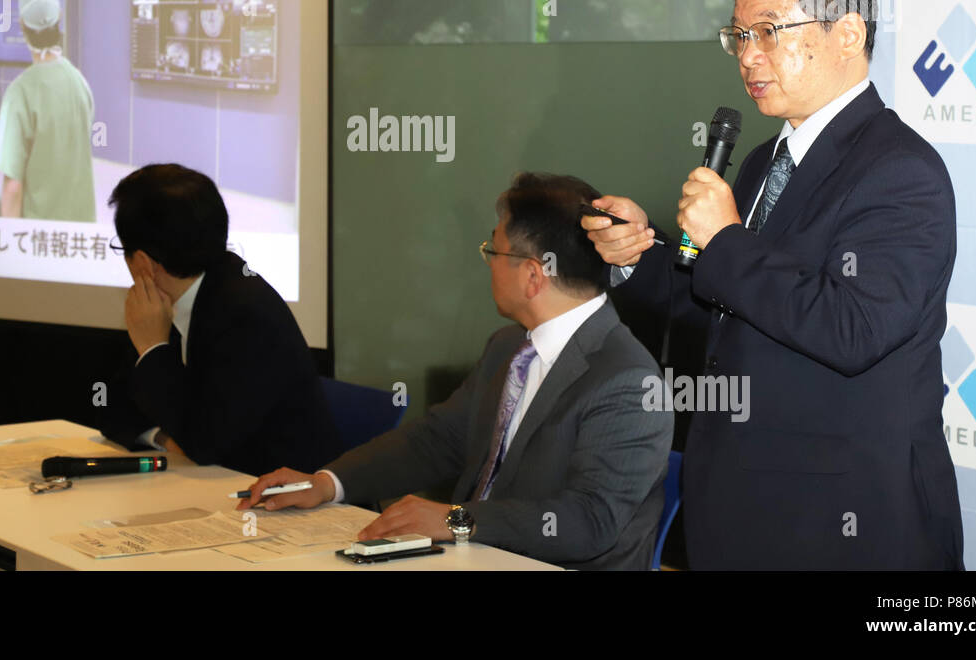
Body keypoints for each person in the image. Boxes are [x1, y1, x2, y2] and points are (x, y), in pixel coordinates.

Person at [585, 0, 963, 569]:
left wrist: (725, 239)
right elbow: (723, 306)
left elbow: (854, 329)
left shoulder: (901, 170)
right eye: (739, 35)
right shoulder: (763, 162)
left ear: (846, 34)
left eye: (769, 31)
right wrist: (635, 256)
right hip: (738, 505)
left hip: (844, 524)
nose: (747, 58)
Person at [239, 172, 672, 571]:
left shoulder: (627, 380)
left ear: (534, 276)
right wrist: (328, 483)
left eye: (494, 251)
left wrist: (457, 519)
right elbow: (437, 441)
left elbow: (588, 522)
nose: (488, 264)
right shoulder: (509, 346)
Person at [97, 163, 342, 476]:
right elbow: (111, 410)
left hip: (285, 502)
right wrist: (163, 438)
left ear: (144, 263)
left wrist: (153, 348)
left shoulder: (245, 314)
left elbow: (204, 444)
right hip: (213, 484)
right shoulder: (169, 299)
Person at [0, 0, 96, 222]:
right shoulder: (80, 82)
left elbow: (13, 187)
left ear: (22, 25)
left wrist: (9, 248)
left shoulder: (20, 93)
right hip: (83, 234)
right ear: (59, 17)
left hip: (41, 239)